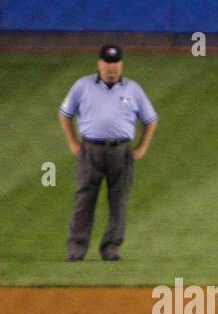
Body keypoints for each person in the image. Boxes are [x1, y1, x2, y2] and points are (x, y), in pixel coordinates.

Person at [59, 44, 159, 262]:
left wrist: (142, 147)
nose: (111, 68)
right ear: (99, 64)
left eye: (115, 63)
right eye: (107, 63)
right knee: (84, 200)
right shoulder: (82, 86)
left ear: (121, 65)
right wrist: (72, 143)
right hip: (90, 150)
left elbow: (151, 120)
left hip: (121, 151)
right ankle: (76, 250)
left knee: (118, 201)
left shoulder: (133, 89)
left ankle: (111, 249)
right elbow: (64, 113)